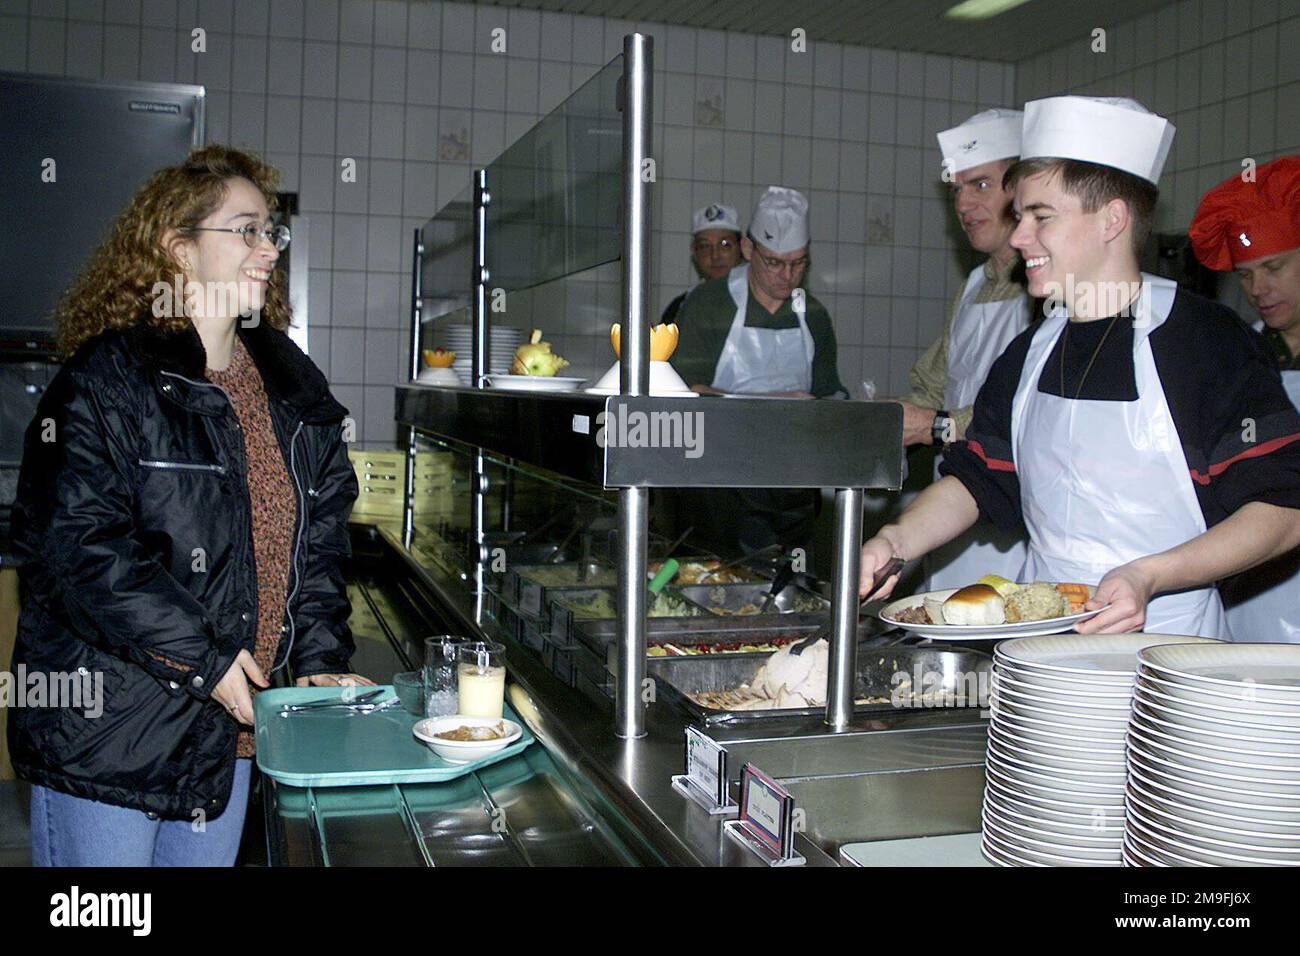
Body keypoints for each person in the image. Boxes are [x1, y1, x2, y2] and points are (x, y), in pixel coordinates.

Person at [8, 145, 373, 867]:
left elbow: (319, 545)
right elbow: (78, 549)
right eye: (246, 230)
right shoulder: (109, 379)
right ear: (178, 249)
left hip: (230, 737)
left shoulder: (293, 389)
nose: (268, 247)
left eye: (272, 232)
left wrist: (322, 659)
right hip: (114, 734)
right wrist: (204, 663)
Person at [858, 97, 1300, 641]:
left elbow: (1283, 510)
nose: (1019, 237)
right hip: (1039, 652)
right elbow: (977, 478)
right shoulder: (1031, 350)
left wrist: (1148, 576)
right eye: (1019, 217)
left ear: (1112, 219)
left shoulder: (1204, 343)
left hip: (1167, 657)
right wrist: (897, 541)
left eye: (1041, 217)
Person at [895, 109, 1032, 590]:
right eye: (957, 189)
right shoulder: (975, 284)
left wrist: (934, 426)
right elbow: (936, 381)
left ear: (1022, 189)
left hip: (1012, 524)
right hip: (952, 508)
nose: (964, 204)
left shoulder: (1046, 287)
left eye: (981, 186)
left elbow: (1026, 415)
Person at [672, 186, 846, 558]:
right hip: (719, 485)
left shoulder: (812, 314)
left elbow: (829, 392)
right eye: (773, 263)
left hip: (794, 487)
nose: (787, 276)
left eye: (798, 263)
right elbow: (682, 393)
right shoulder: (708, 304)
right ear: (749, 250)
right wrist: (770, 403)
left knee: (793, 596)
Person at [1189, 155, 1300, 642]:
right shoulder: (1239, 357)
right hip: (1249, 582)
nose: (1258, 288)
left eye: (1274, 267)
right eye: (1247, 275)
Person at [660, 203, 743, 324]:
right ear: (694, 252)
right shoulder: (681, 308)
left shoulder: (761, 301)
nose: (715, 255)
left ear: (742, 248)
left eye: (725, 244)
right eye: (705, 246)